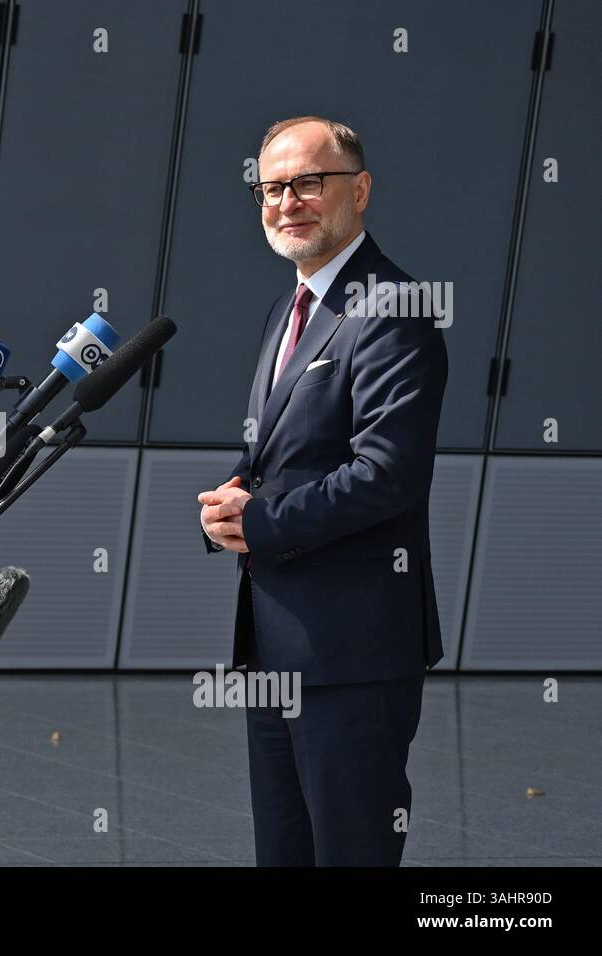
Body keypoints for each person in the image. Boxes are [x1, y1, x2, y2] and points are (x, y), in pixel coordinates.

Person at [198, 116, 447, 866]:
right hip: (278, 647)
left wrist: (265, 519)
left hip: (353, 655)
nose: (288, 201)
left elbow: (388, 474)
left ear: (360, 190)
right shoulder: (291, 308)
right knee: (285, 853)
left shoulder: (394, 311)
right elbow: (291, 452)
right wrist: (235, 499)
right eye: (272, 187)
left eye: (311, 181)